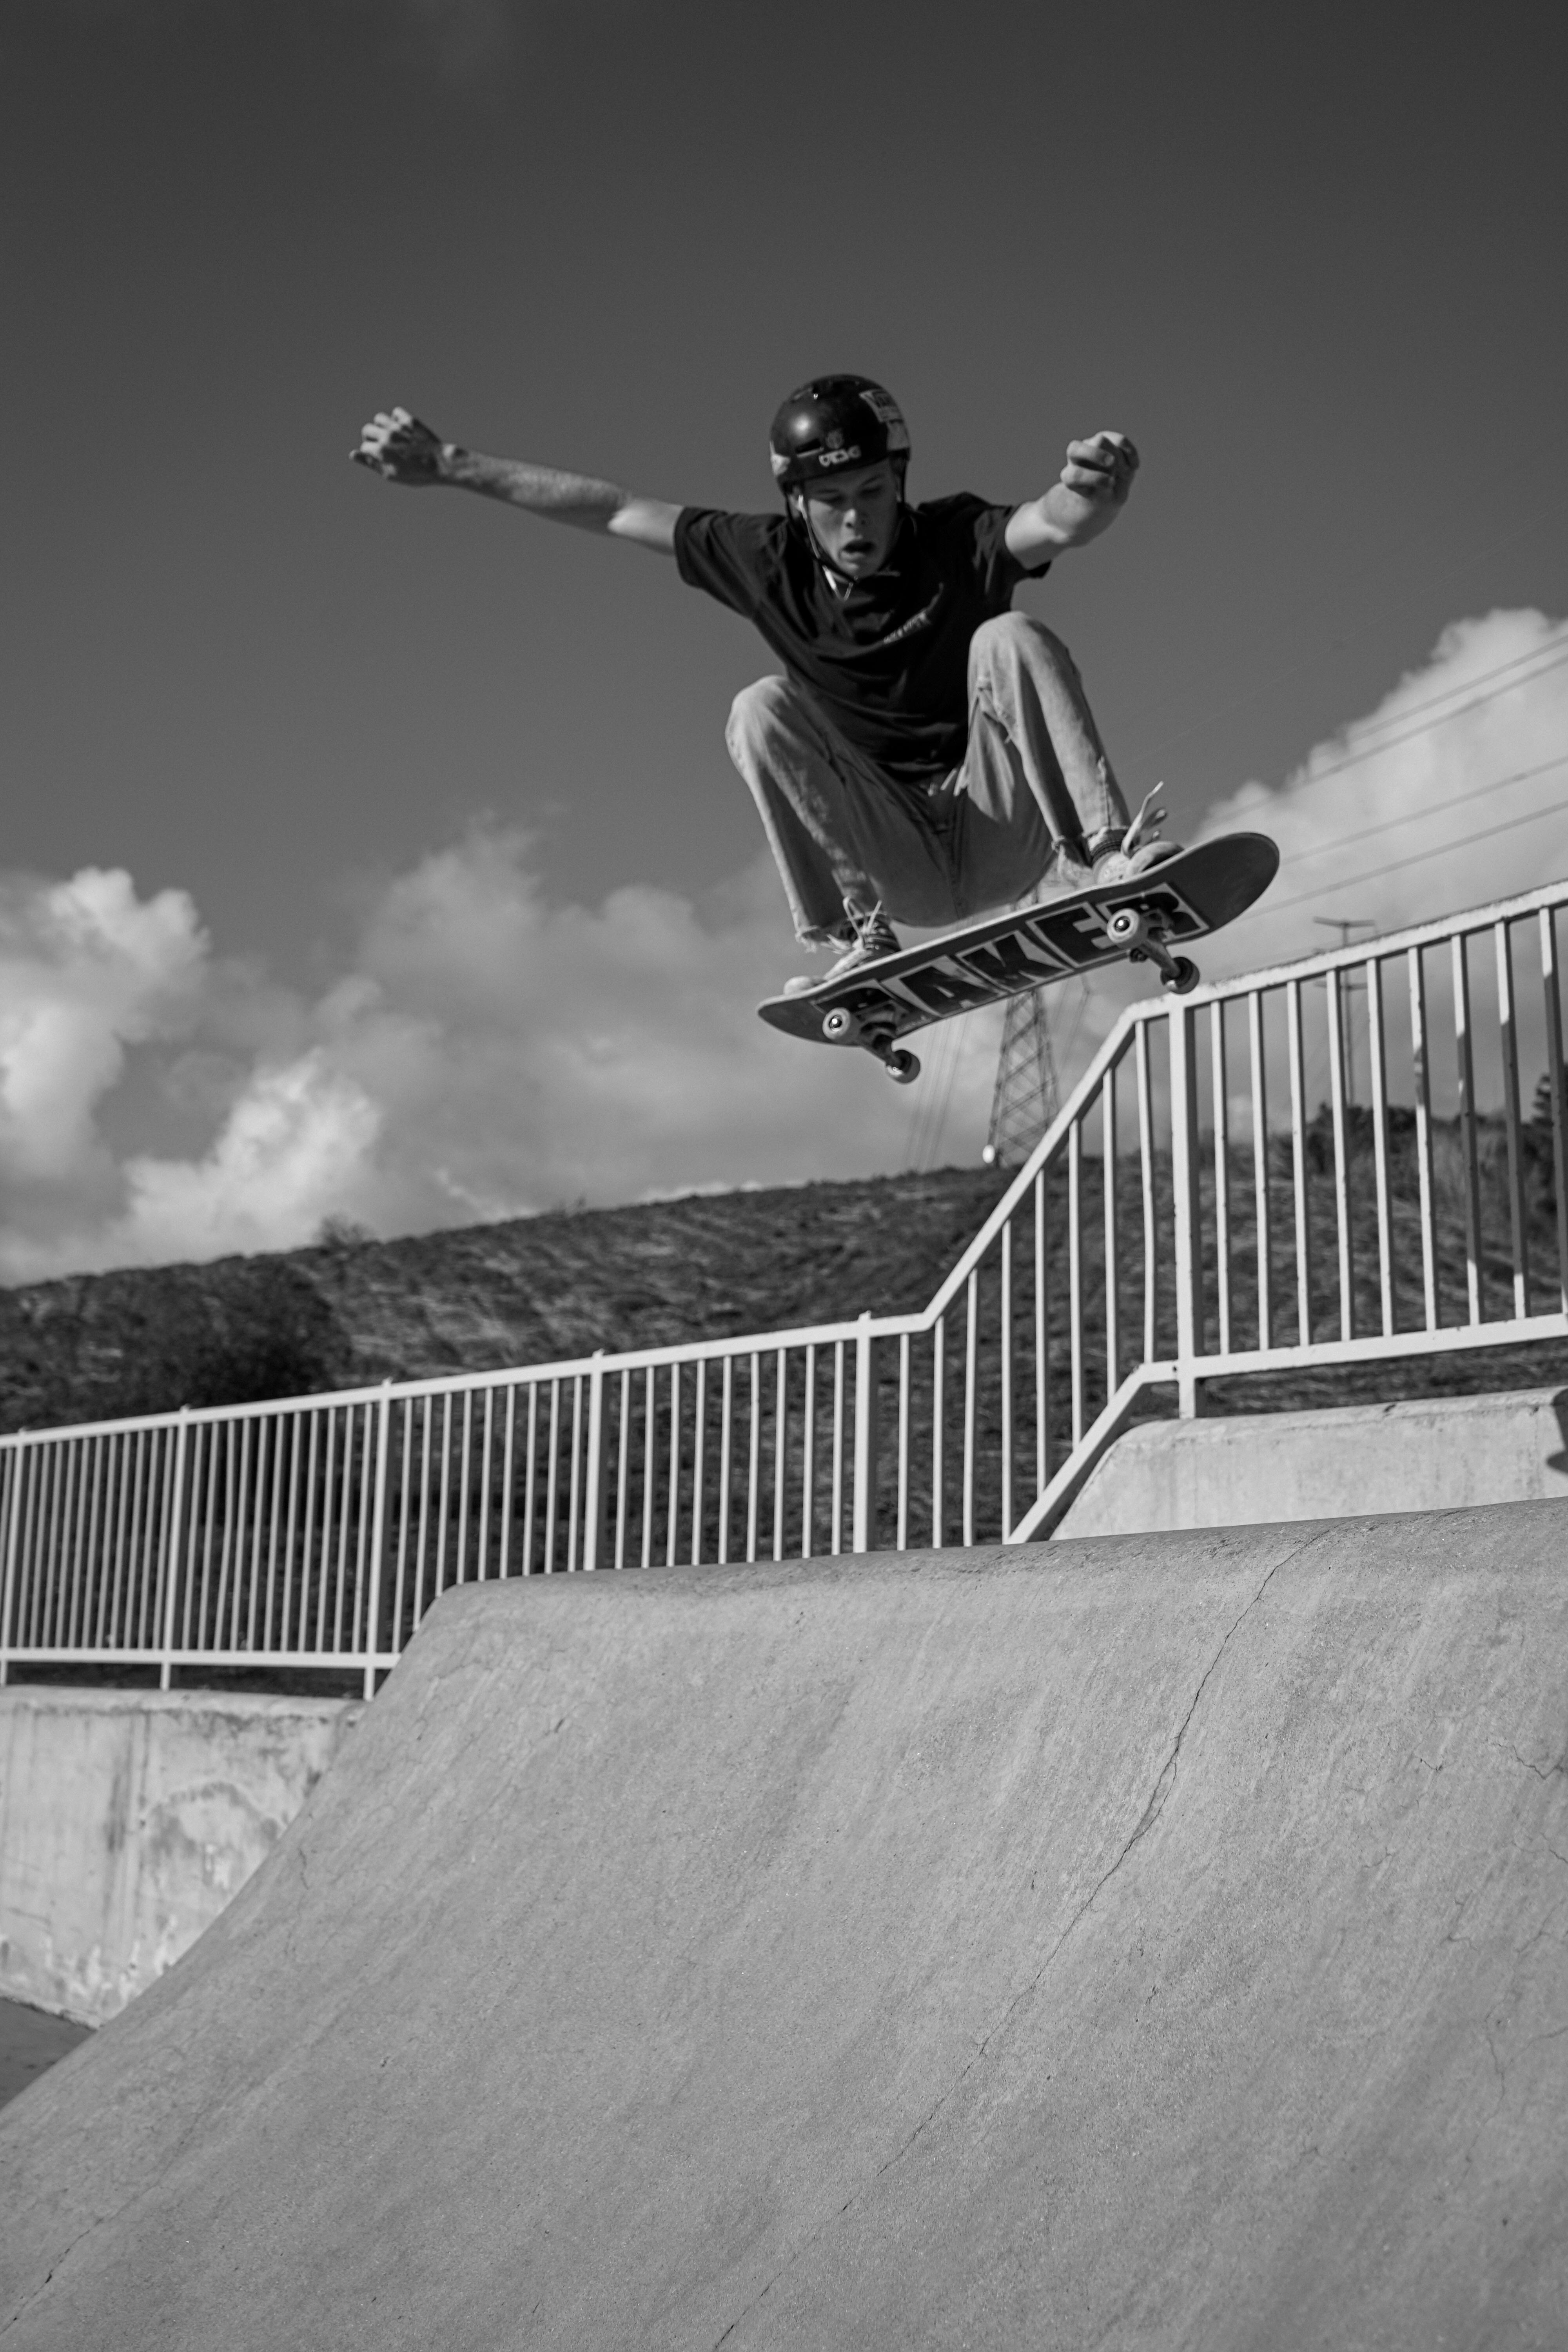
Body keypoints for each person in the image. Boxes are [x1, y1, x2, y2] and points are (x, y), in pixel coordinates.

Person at [352, 376, 1177, 991]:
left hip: (1005, 827)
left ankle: (1110, 856)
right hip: (895, 860)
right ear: (797, 504)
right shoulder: (763, 561)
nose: (855, 519)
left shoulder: (955, 538)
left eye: (872, 493)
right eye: (831, 501)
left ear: (898, 482)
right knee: (758, 707)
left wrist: (1092, 493)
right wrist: (453, 465)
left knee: (1009, 636)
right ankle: (858, 937)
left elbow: (1054, 521)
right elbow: (613, 510)